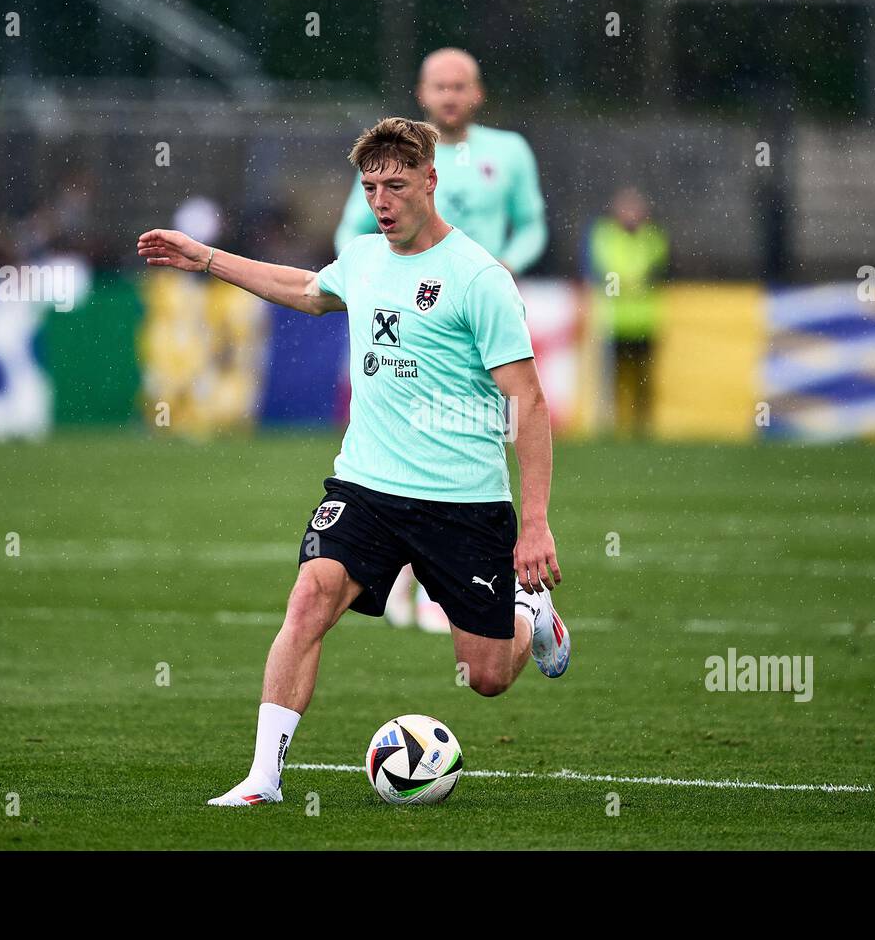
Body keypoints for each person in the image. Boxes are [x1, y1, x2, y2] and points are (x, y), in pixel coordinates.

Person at [137, 117, 571, 808]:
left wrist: (536, 522)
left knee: (487, 675)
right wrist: (208, 259)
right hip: (366, 488)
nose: (382, 200)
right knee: (308, 600)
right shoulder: (365, 258)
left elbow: (530, 402)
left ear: (431, 181)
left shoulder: (478, 279)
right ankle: (263, 779)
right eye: (370, 187)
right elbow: (308, 290)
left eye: (396, 185)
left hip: (463, 503)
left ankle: (532, 619)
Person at [335, 47, 548, 633]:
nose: (450, 96)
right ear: (422, 94)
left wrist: (501, 266)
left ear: (477, 94)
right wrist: (371, 278)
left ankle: (458, 585)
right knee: (404, 437)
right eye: (439, 86)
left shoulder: (508, 152)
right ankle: (407, 584)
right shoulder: (398, 161)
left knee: (473, 427)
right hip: (410, 309)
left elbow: (533, 225)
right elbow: (350, 226)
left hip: (476, 308)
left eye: (460, 86)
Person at [587, 187, 669, 438]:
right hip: (615, 321)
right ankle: (609, 426)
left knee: (643, 378)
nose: (631, 214)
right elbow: (607, 270)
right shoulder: (605, 235)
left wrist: (628, 282)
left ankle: (641, 427)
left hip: (645, 320)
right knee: (612, 379)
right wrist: (634, 282)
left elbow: (658, 269)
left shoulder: (653, 236)